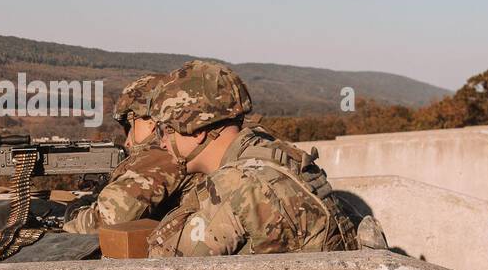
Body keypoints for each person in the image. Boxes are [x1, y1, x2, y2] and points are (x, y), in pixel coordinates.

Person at [145, 59, 369, 257]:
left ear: (196, 130)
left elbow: (164, 265)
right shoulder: (281, 156)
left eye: (165, 130)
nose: (162, 142)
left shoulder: (236, 184)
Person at [62, 71, 197, 234]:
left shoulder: (164, 154)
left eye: (130, 126)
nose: (127, 140)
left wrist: (73, 215)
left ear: (151, 122)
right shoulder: (181, 147)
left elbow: (107, 221)